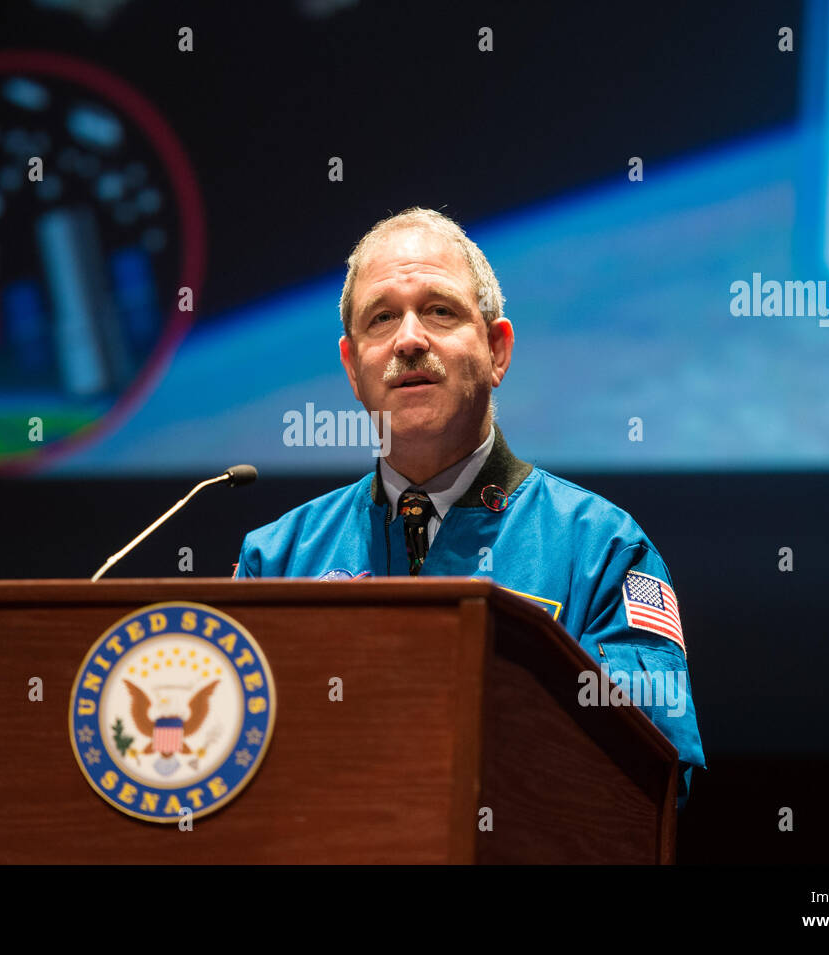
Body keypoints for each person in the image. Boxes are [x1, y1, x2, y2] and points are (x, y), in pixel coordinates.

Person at [234, 207, 705, 807]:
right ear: (354, 369)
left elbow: (652, 761)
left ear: (497, 350)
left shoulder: (604, 548)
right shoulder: (276, 558)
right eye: (382, 318)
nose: (408, 339)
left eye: (439, 311)